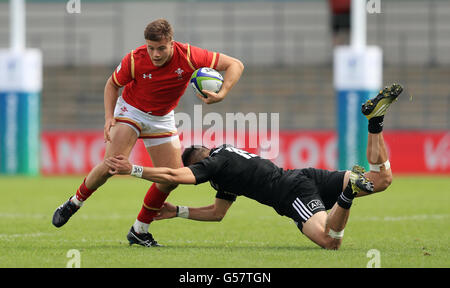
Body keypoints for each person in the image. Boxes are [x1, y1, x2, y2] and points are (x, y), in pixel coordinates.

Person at [104, 83, 403, 249]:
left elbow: (173, 174)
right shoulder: (225, 164)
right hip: (304, 175)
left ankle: (347, 194)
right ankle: (375, 122)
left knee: (329, 241)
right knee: (382, 178)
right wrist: (177, 211)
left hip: (292, 194)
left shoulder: (216, 165)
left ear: (203, 163)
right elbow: (217, 213)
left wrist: (134, 169)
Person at [52, 18, 245, 247]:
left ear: (171, 43)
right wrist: (108, 117)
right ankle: (74, 202)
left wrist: (222, 93)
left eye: (161, 48)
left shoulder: (190, 55)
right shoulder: (135, 59)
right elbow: (112, 84)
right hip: (131, 111)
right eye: (151, 48)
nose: (155, 54)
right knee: (113, 164)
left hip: (162, 117)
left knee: (171, 178)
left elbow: (236, 64)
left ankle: (139, 230)